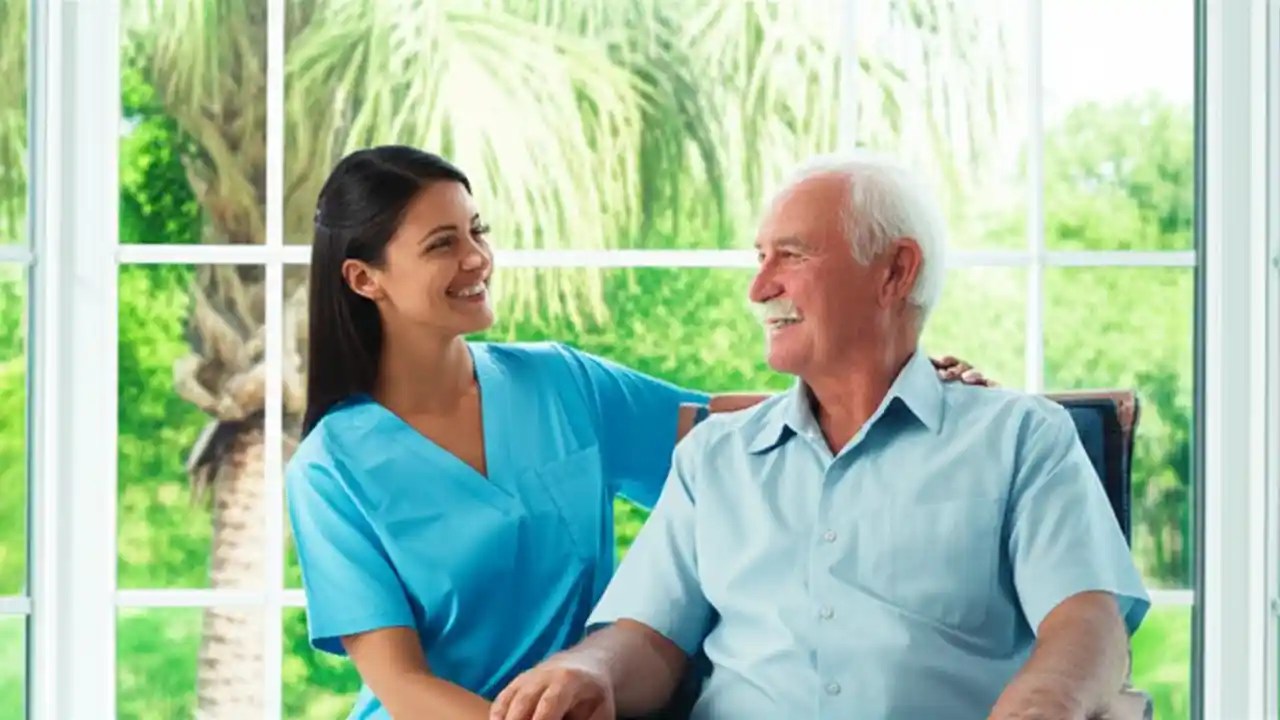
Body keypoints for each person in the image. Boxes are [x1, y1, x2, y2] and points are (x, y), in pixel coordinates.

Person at [285, 145, 992, 720]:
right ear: (363, 279)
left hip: (598, 700)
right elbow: (403, 686)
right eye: (444, 243)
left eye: (478, 231)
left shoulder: (559, 384)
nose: (477, 258)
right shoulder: (330, 470)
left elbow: (734, 427)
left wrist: (896, 376)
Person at [490, 152, 1151, 720]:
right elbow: (648, 636)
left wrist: (1046, 701)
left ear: (894, 272)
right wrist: (592, 671)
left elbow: (1086, 621)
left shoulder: (1020, 438)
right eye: (759, 257)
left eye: (792, 256)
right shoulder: (715, 457)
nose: (758, 287)